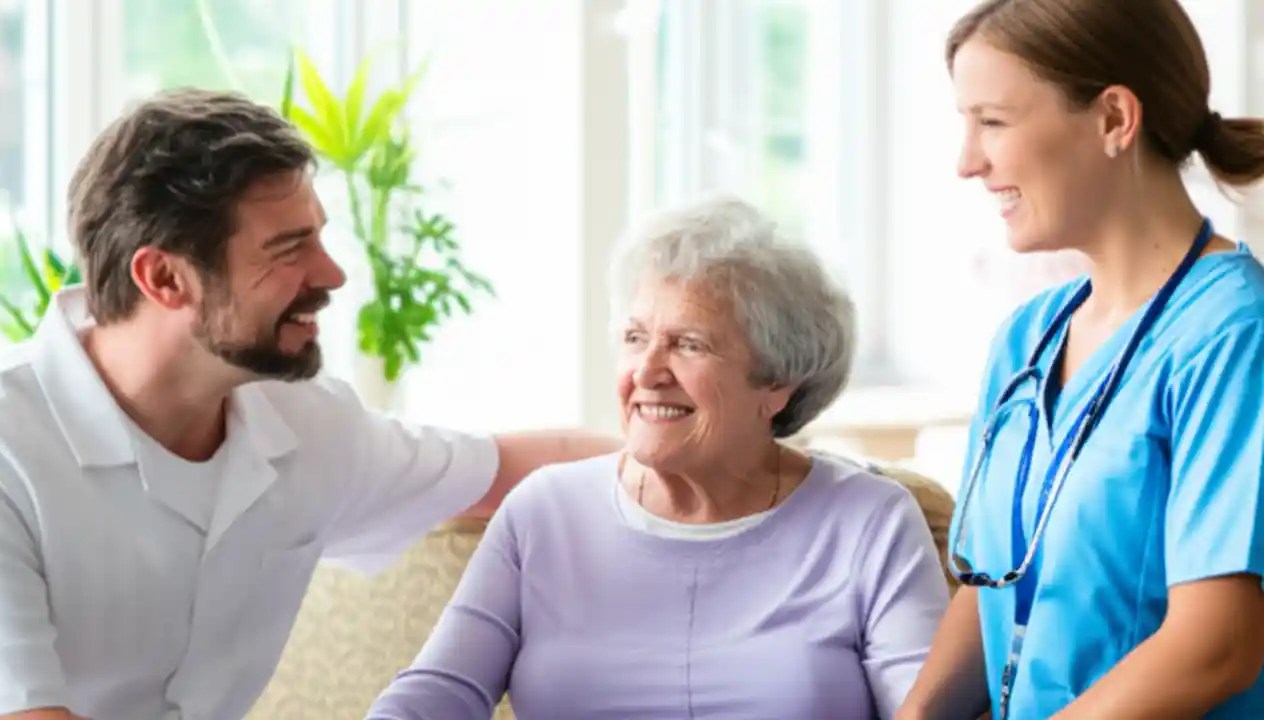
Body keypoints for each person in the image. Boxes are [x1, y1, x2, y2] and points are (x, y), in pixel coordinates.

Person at [0, 89, 618, 720]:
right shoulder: (0, 451)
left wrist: (697, 452)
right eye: (289, 250)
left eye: (317, 237)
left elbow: (500, 468)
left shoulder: (301, 424)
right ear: (166, 279)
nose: (332, 274)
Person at [364, 196, 951, 720]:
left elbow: (926, 708)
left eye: (689, 344)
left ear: (778, 383)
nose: (647, 371)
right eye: (635, 338)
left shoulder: (870, 522)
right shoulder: (545, 513)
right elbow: (435, 695)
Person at [898, 1, 1264, 719]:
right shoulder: (1026, 338)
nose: (968, 161)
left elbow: (1218, 641)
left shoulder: (1233, 335)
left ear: (1113, 120)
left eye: (993, 122)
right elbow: (993, 582)